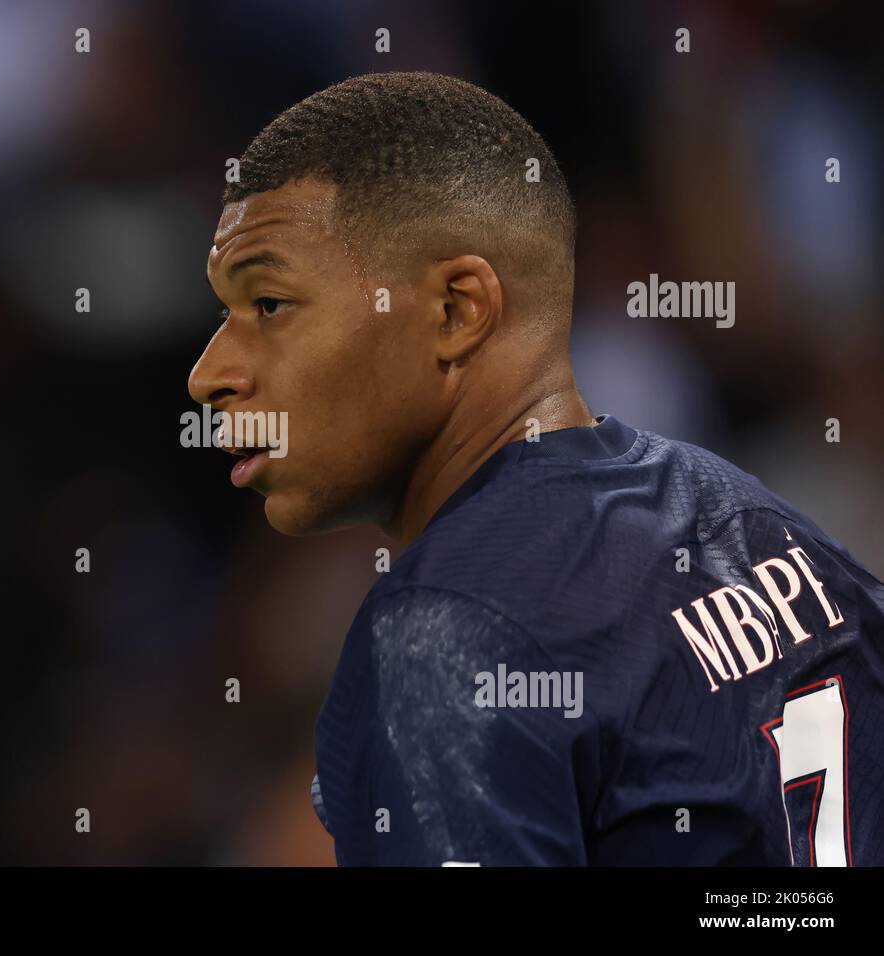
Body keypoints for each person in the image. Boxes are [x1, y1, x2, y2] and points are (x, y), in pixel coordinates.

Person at [187, 71, 884, 866]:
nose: (209, 373)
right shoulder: (759, 524)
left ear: (456, 311)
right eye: (224, 314)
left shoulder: (447, 633)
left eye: (269, 305)